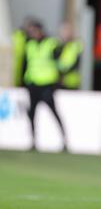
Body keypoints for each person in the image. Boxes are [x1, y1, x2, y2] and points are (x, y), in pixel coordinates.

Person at [22, 20, 67, 151]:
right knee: (32, 114)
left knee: (53, 112)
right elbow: (26, 64)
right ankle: (33, 141)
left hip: (47, 84)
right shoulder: (29, 44)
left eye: (34, 30)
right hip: (33, 83)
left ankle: (64, 140)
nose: (32, 33)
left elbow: (59, 59)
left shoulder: (51, 43)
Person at [57, 22, 83, 89]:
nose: (65, 33)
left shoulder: (77, 45)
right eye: (64, 31)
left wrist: (63, 73)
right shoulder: (58, 45)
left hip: (72, 82)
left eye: (67, 30)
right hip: (59, 82)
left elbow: (77, 63)